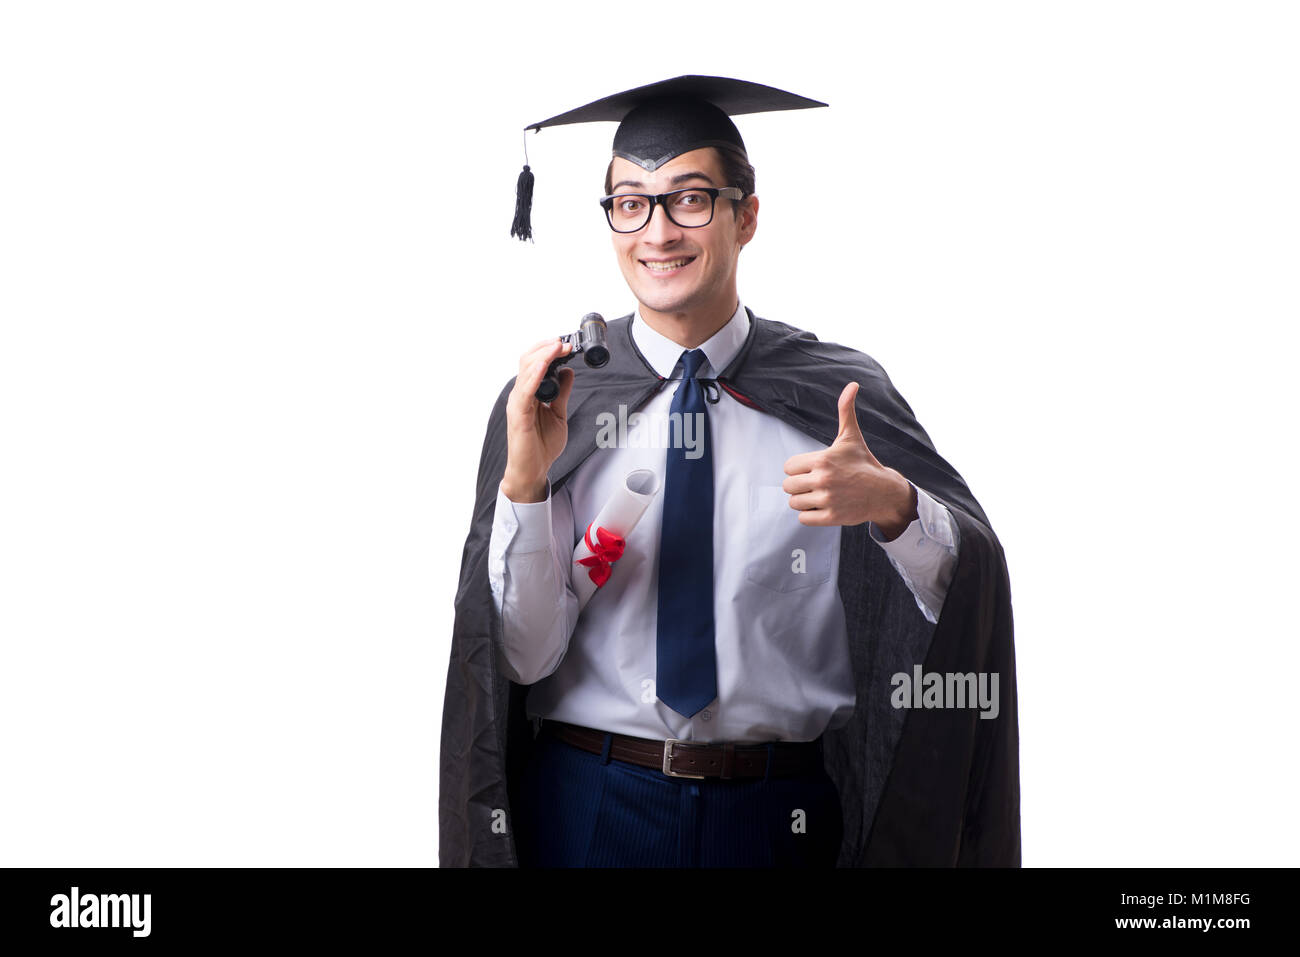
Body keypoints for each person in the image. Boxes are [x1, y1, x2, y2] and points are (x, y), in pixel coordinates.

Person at [439, 76, 1020, 867]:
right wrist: (526, 489)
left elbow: (967, 596)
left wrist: (894, 504)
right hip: (588, 807)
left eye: (689, 200)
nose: (658, 232)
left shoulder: (838, 394)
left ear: (746, 216)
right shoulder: (555, 400)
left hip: (777, 817)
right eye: (631, 204)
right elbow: (522, 656)